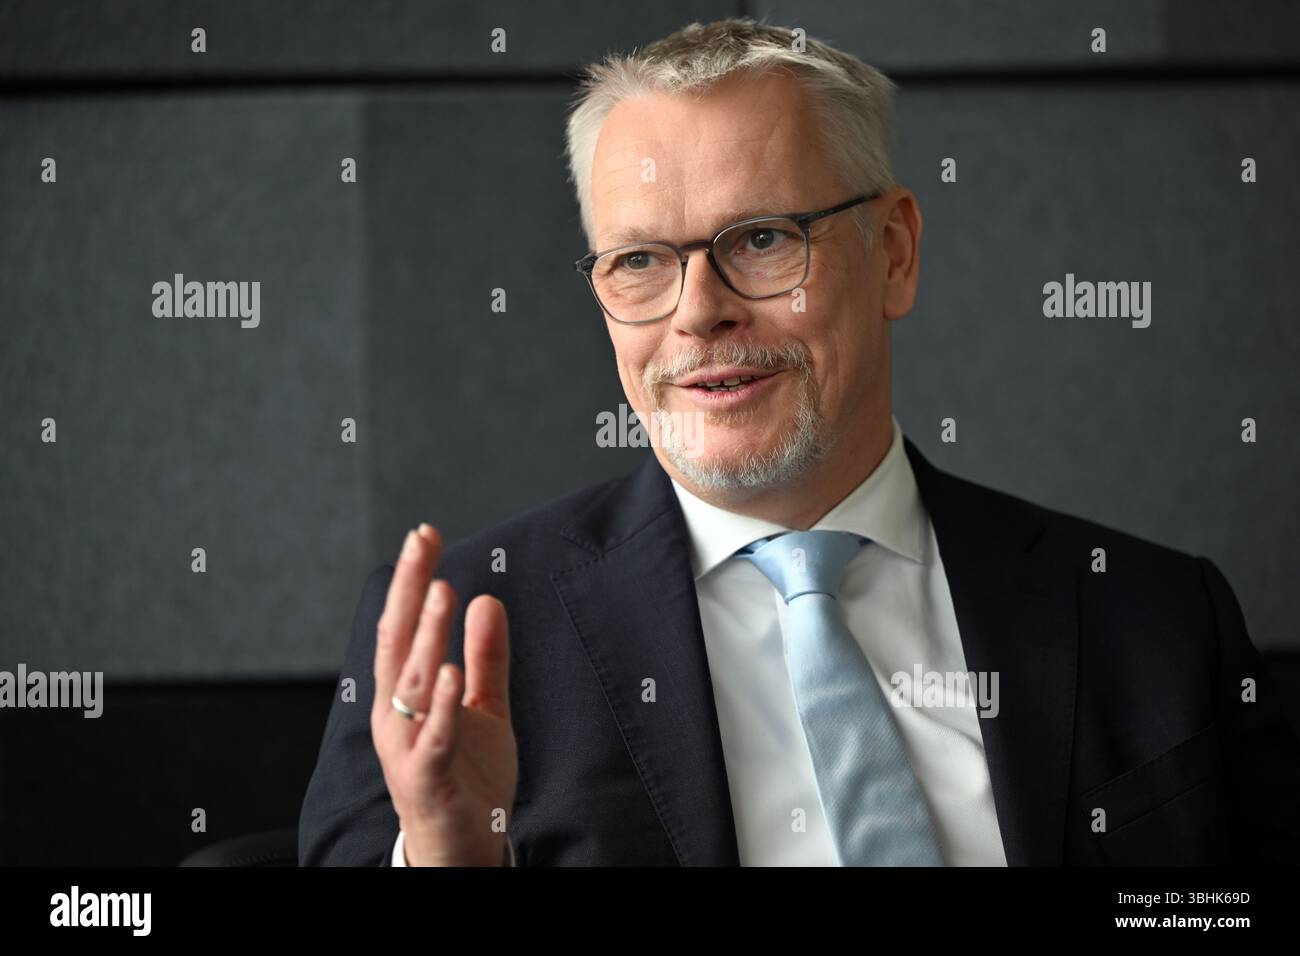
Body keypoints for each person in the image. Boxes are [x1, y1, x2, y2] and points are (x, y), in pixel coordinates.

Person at [298, 17, 1300, 866]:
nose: (698, 315)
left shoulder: (1154, 616)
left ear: (893, 253)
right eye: (641, 259)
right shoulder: (466, 631)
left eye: (763, 239)